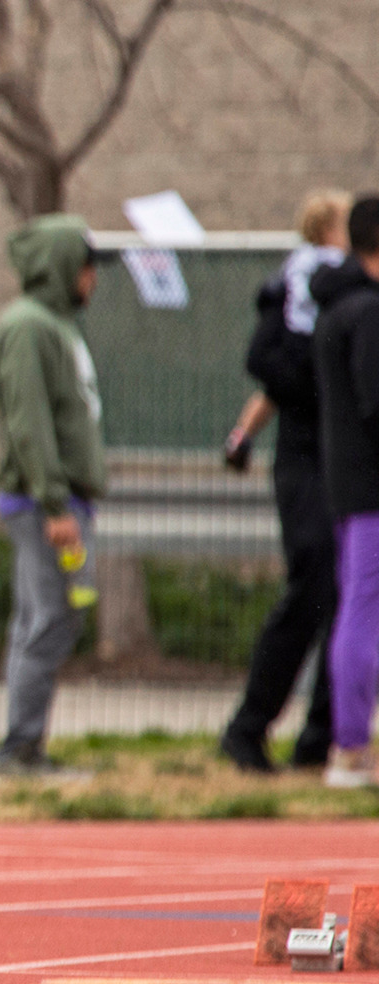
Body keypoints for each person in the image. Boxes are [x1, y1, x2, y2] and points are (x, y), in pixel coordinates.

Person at [217, 189, 351, 772]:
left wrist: (245, 431)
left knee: (351, 595)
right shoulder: (298, 291)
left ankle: (319, 738)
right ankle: (250, 725)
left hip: (347, 459)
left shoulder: (350, 296)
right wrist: (246, 434)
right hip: (306, 456)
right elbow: (273, 371)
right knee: (314, 577)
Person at [0, 214, 105, 776]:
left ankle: (26, 743)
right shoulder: (28, 327)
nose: (93, 280)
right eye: (87, 268)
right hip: (43, 505)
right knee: (51, 617)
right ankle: (21, 748)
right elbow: (28, 422)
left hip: (62, 500)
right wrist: (55, 503)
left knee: (51, 615)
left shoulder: (55, 325)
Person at [310, 195, 379, 788]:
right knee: (363, 611)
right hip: (370, 492)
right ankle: (350, 748)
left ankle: (353, 744)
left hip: (348, 486)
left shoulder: (337, 309)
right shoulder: (367, 314)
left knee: (361, 609)